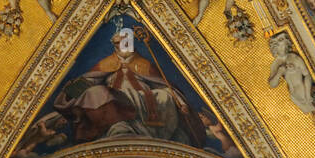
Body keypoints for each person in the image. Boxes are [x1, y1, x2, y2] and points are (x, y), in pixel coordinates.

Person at [52, 27, 205, 145]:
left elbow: (163, 83)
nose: (123, 47)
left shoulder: (144, 64)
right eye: (120, 44)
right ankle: (118, 127)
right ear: (115, 46)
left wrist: (181, 102)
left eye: (127, 43)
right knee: (96, 92)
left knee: (165, 95)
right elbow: (90, 79)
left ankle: (143, 130)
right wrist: (70, 92)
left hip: (143, 95)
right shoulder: (106, 63)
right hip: (114, 94)